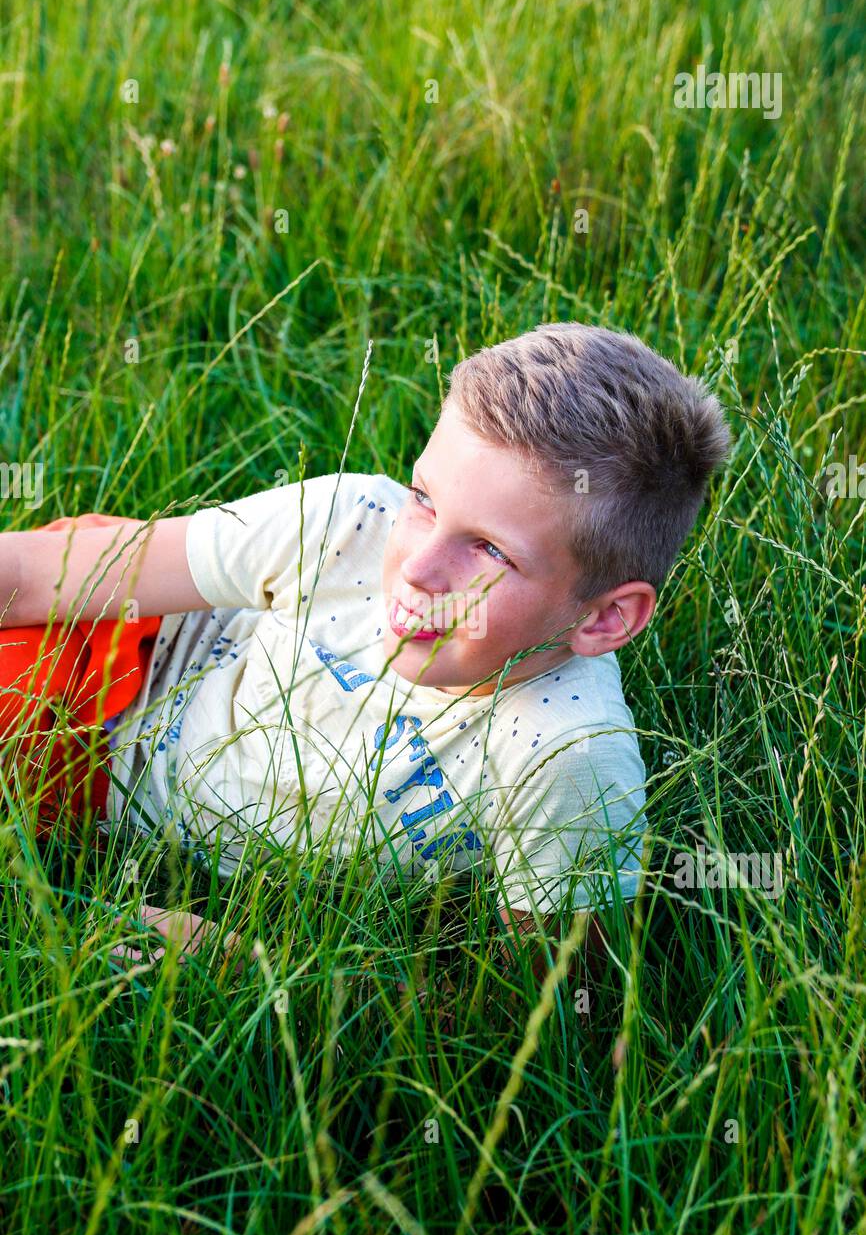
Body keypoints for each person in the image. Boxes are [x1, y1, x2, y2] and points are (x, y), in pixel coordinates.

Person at [0, 321, 729, 975]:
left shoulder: (567, 755)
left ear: (604, 620)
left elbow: (521, 1016)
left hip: (95, 781)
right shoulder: (349, 523)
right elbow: (38, 577)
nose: (414, 565)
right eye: (425, 499)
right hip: (111, 656)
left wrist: (246, 966)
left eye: (489, 550)